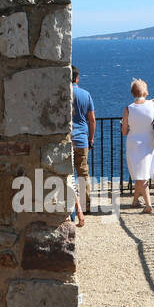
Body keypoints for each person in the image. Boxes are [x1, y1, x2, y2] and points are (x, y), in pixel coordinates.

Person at [121, 78, 154, 213]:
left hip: (134, 143)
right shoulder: (153, 105)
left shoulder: (128, 109)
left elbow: (124, 131)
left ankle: (148, 205)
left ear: (133, 93)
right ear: (145, 91)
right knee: (142, 173)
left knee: (140, 174)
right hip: (149, 142)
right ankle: (135, 201)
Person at [70, 66, 95, 215]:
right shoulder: (85, 95)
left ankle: (69, 206)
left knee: (67, 174)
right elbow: (91, 119)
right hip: (81, 140)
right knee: (83, 174)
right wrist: (91, 138)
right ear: (77, 78)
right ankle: (85, 206)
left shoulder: (61, 94)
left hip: (66, 140)